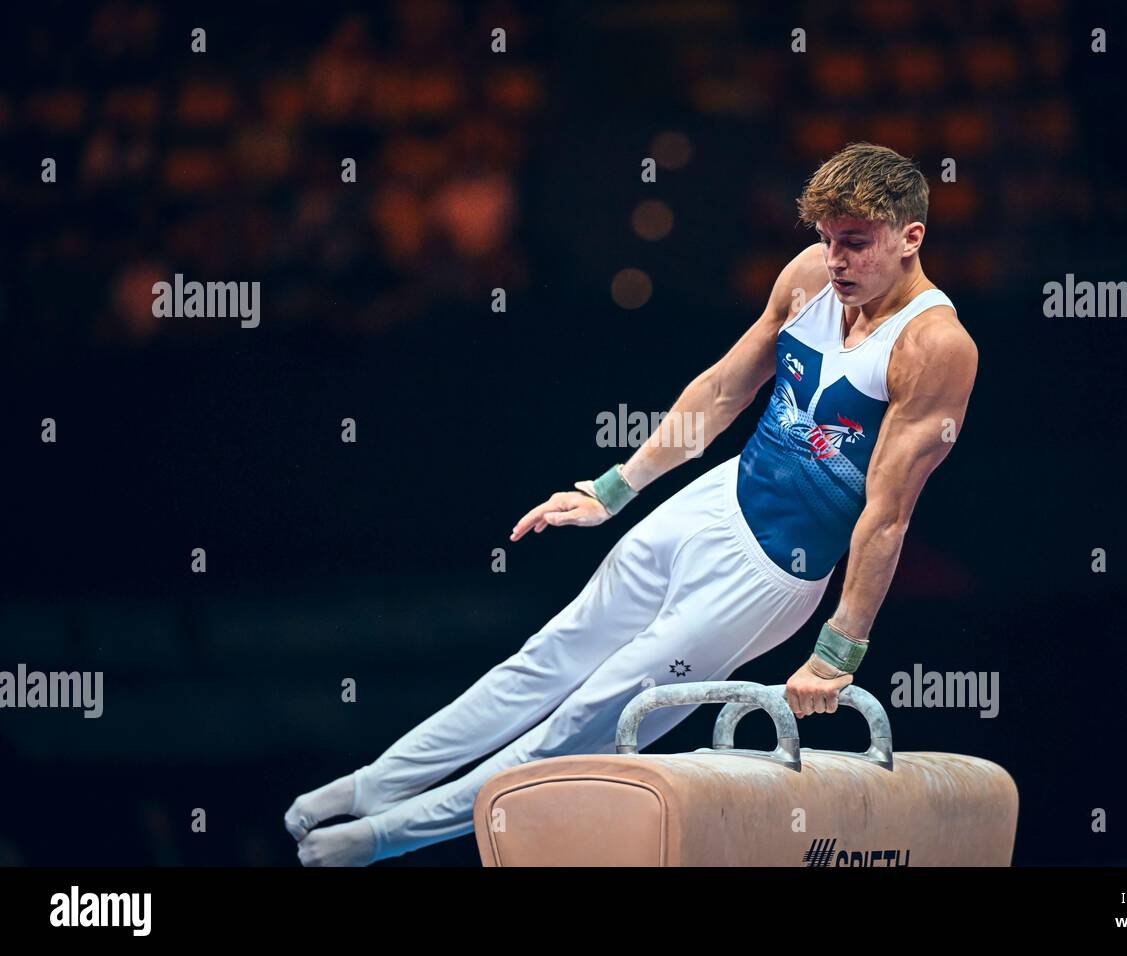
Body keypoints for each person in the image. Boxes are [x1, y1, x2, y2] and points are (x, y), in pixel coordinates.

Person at [285, 141, 979, 866]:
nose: (835, 260)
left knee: (588, 717)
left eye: (855, 245)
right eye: (828, 240)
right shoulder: (810, 278)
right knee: (542, 659)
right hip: (712, 501)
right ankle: (371, 787)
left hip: (770, 575)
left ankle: (381, 839)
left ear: (911, 238)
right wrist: (614, 488)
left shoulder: (935, 347)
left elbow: (889, 512)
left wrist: (839, 653)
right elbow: (719, 391)